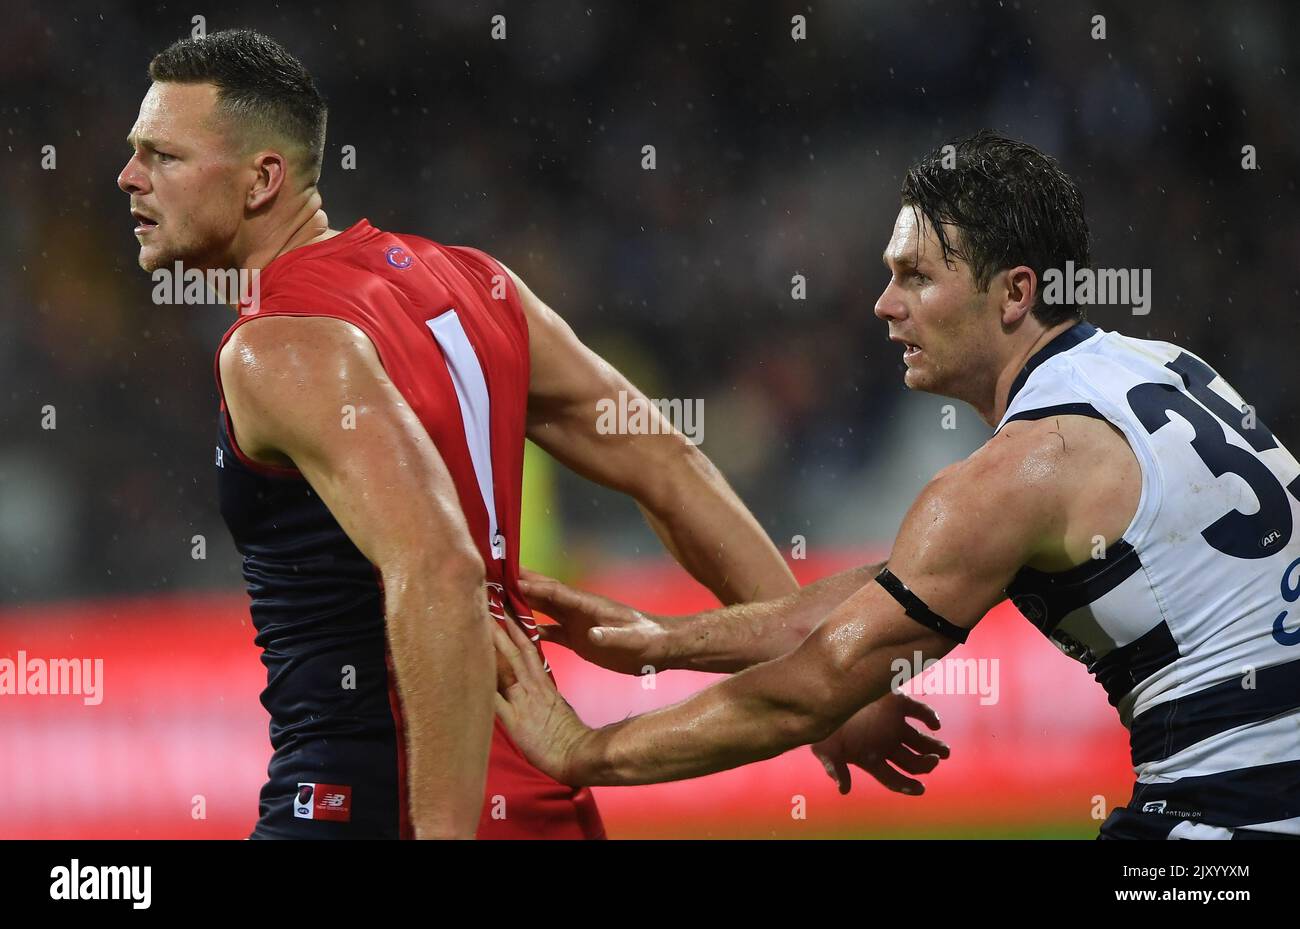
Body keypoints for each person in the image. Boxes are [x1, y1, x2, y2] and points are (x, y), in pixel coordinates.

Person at [118, 29, 941, 838]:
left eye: (164, 156)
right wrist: (816, 682)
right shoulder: (477, 283)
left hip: (376, 796)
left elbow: (439, 566)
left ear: (263, 178)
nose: (130, 178)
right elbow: (666, 462)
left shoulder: (278, 343)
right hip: (544, 791)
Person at [496, 131, 1300, 839]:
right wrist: (659, 640)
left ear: (1015, 292)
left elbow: (808, 692)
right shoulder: (1159, 367)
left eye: (915, 277)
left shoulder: (1020, 469)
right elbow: (890, 594)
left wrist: (581, 750)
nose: (884, 305)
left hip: (1235, 816)